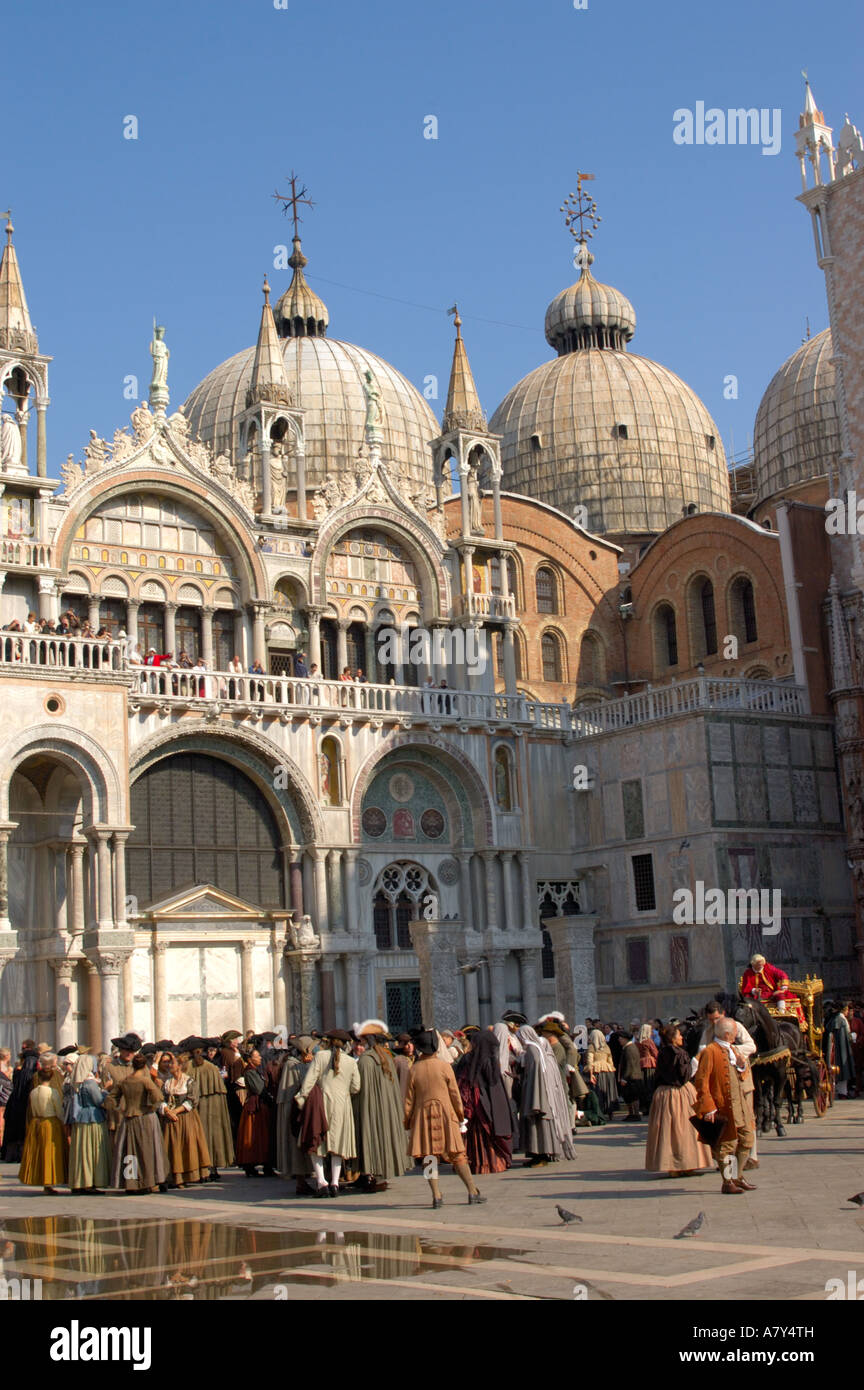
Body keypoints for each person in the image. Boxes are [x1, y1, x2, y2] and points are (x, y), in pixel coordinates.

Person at [404, 1029, 486, 1209]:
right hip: (445, 1114)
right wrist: (459, 1114)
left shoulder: (414, 1069)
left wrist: (407, 1121)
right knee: (457, 1153)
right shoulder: (444, 1066)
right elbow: (455, 1094)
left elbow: (408, 1100)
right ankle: (472, 1191)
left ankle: (436, 1195)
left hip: (423, 1115)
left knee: (429, 1156)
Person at [692, 1017, 757, 1194]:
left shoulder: (734, 1049)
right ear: (728, 1034)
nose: (737, 1034)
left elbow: (739, 1076)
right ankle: (728, 1181)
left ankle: (737, 1175)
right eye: (735, 1032)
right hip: (724, 1106)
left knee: (747, 1139)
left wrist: (742, 1067)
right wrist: (708, 1107)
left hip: (740, 1104)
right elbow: (701, 1081)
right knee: (728, 1144)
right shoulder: (710, 1051)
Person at [295, 1029, 361, 1196]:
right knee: (338, 1145)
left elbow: (309, 1080)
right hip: (342, 1106)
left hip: (322, 1104)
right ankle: (335, 1183)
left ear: (329, 1042)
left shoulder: (321, 1056)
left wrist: (301, 1098)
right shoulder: (351, 1061)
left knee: (317, 1143)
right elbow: (356, 1087)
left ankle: (321, 1181)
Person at [644, 1025, 713, 1177]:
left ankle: (672, 1166)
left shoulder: (662, 1051)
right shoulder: (680, 1053)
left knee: (668, 1129)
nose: (682, 1037)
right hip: (680, 1093)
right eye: (679, 1035)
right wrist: (694, 1063)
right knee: (685, 1129)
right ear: (673, 1038)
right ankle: (686, 1164)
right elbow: (683, 1076)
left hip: (663, 1093)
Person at [353, 1020, 412, 1193]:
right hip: (386, 1108)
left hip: (370, 1107)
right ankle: (380, 1175)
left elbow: (359, 1087)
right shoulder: (387, 1057)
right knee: (383, 1137)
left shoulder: (366, 1060)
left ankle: (375, 1176)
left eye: (362, 1040)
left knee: (372, 1138)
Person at [454, 1029, 513, 1174]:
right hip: (482, 1105)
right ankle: (491, 1164)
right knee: (486, 1133)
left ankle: (474, 1164)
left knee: (474, 1134)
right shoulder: (489, 1061)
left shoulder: (468, 1059)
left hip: (472, 1104)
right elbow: (494, 1086)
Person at [109, 1054, 170, 1193]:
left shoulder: (125, 1081)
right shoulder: (145, 1081)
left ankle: (131, 1183)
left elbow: (111, 1098)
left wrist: (117, 1108)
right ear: (143, 1066)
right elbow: (158, 1097)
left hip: (128, 1119)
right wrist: (150, 1105)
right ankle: (145, 1183)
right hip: (143, 1118)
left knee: (129, 1152)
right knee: (145, 1151)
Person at [516, 1025, 576, 1163]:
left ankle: (540, 1155)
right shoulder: (537, 1049)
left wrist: (535, 1096)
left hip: (537, 1094)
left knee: (538, 1125)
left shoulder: (532, 1049)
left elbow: (536, 1071)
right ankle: (540, 1154)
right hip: (541, 1093)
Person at [158, 1053, 212, 1188]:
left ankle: (186, 1177)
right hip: (170, 1120)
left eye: (173, 1063)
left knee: (186, 1146)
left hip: (186, 1118)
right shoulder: (167, 1082)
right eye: (169, 1063)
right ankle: (173, 1177)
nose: (170, 1065)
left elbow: (192, 1100)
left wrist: (175, 1111)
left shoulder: (189, 1081)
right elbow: (161, 1099)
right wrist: (166, 1110)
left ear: (180, 1066)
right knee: (171, 1147)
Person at [274, 1035, 317, 1195]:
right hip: (294, 1110)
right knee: (295, 1145)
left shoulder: (295, 1064)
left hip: (296, 1108)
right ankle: (300, 1180)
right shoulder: (293, 1065)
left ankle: (303, 1176)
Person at [18, 1057, 67, 1194]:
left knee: (40, 1153)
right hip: (50, 1123)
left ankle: (44, 1181)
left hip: (36, 1122)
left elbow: (31, 1109)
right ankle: (49, 1181)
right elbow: (58, 1110)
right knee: (50, 1153)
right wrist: (64, 1123)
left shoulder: (33, 1092)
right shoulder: (53, 1092)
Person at [66, 1053, 112, 1195]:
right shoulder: (90, 1083)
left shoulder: (77, 1082)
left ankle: (79, 1181)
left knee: (81, 1151)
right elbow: (99, 1101)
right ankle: (90, 1182)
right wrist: (106, 1091)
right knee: (91, 1151)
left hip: (81, 1118)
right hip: (93, 1118)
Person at [189, 1039, 234, 1179]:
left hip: (197, 1109)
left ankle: (202, 1169)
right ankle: (211, 1168)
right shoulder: (212, 1068)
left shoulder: (188, 1068)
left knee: (202, 1137)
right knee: (212, 1137)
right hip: (212, 1110)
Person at [235, 1048, 276, 1177]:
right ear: (250, 1059)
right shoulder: (250, 1072)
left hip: (260, 1104)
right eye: (257, 1056)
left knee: (261, 1135)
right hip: (255, 1105)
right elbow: (258, 1088)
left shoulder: (255, 1071)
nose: (260, 1058)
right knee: (253, 1134)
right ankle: (251, 1164)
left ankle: (264, 1164)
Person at [740, 953, 806, 1030]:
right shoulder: (748, 973)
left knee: (780, 995)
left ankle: (782, 1014)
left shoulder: (768, 968)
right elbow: (746, 986)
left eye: (762, 964)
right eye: (759, 964)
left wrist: (783, 988)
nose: (761, 966)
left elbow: (782, 974)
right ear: (753, 964)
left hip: (771, 992)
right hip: (758, 995)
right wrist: (754, 990)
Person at [0, 1042, 39, 1162]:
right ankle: (21, 1154)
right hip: (23, 1104)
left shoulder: (18, 1072)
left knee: (14, 1131)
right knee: (21, 1129)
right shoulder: (31, 1075)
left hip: (14, 1103)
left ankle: (12, 1155)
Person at [825, 1001, 857, 1098]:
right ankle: (843, 1092)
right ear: (844, 1010)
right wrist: (853, 1036)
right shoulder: (841, 1019)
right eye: (847, 1010)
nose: (848, 1012)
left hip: (837, 1048)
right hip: (841, 1048)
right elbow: (847, 1035)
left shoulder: (834, 1019)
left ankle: (843, 1091)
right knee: (843, 1070)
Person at [585, 1027, 620, 1116]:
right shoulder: (606, 1047)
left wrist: (590, 1073)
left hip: (597, 1070)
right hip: (608, 1070)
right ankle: (610, 1110)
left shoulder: (591, 1046)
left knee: (598, 1091)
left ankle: (599, 1110)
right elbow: (610, 1060)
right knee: (608, 1090)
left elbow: (590, 1060)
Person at [618, 1029, 646, 1120]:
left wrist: (624, 1078)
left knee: (633, 1097)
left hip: (632, 1077)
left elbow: (630, 1064)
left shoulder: (629, 1048)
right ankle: (632, 1114)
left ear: (626, 1039)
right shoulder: (628, 1047)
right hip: (633, 1076)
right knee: (629, 1097)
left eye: (621, 1038)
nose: (619, 1040)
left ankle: (635, 1114)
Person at [638, 1023, 658, 1100]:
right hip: (650, 1064)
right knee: (650, 1084)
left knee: (644, 1085)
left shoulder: (638, 1042)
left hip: (641, 1063)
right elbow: (655, 1053)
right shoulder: (649, 1041)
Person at [0, 1048, 12, 1151]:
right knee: (1, 1121)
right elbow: (3, 1079)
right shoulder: (3, 1066)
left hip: (4, 1094)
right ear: (6, 1056)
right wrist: (9, 1072)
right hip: (3, 1095)